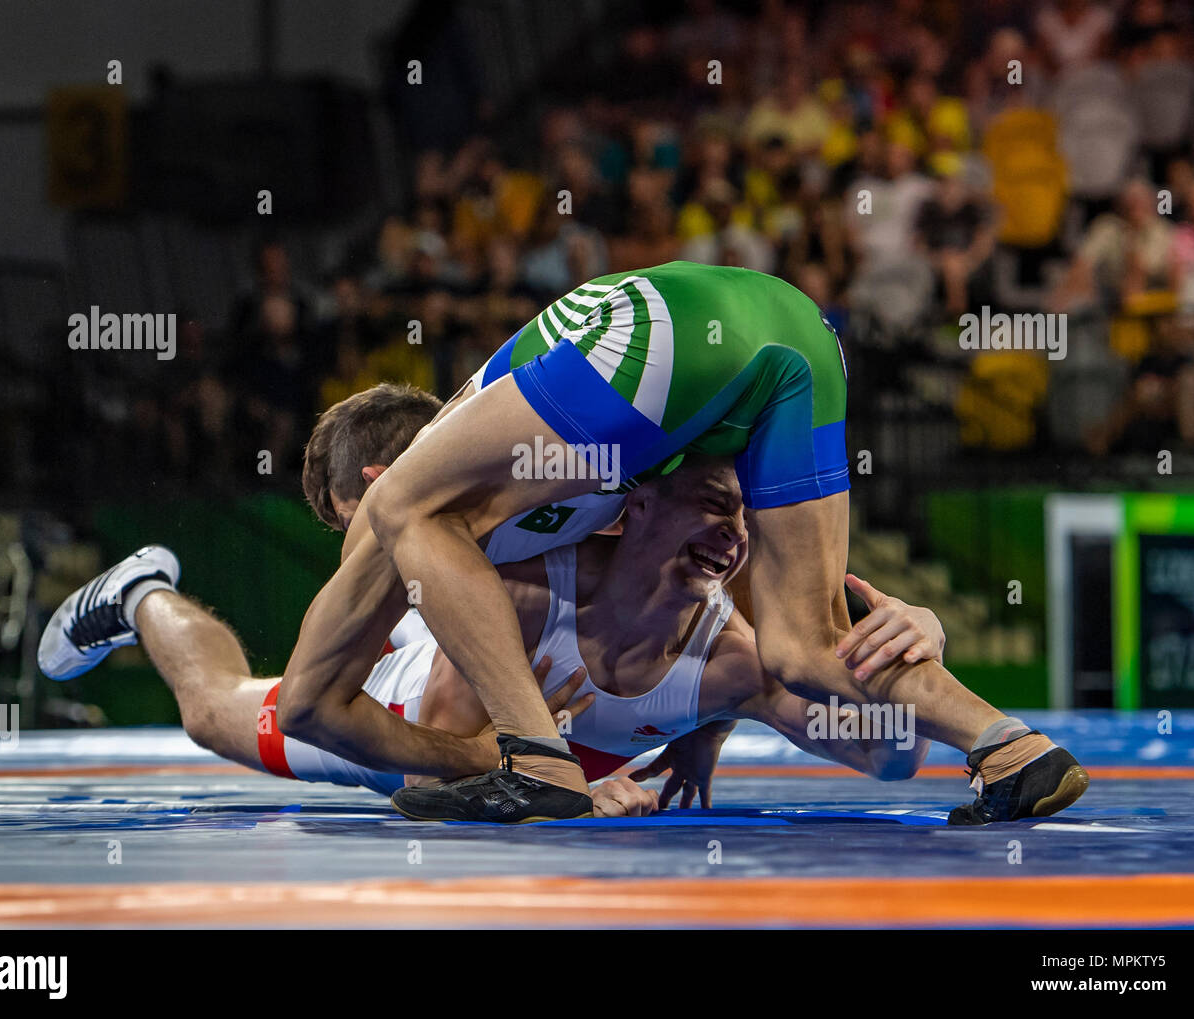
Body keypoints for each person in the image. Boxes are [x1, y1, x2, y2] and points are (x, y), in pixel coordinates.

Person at [273, 261, 1086, 823]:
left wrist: (490, 753)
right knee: (808, 643)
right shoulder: (517, 486)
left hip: (663, 333)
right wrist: (712, 723)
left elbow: (310, 699)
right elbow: (723, 563)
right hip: (798, 327)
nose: (364, 536)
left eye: (348, 513)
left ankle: (539, 761)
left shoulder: (407, 508)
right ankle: (1009, 745)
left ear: (366, 486)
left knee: (407, 514)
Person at [38, 456, 962, 819]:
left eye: (743, 517)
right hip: (391, 722)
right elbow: (425, 771)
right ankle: (143, 593)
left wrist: (910, 654)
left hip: (488, 740)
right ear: (634, 509)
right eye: (711, 507)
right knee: (208, 710)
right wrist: (565, 785)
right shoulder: (522, 594)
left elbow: (885, 762)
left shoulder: (730, 663)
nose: (735, 535)